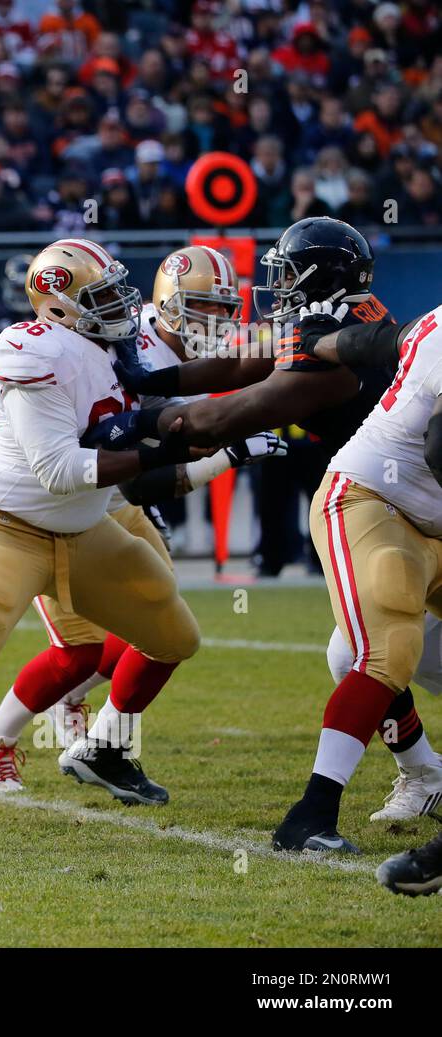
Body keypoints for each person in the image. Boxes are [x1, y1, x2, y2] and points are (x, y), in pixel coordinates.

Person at [0, 239, 205, 831]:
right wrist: (167, 455)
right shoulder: (31, 349)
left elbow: (197, 391)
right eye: (100, 294)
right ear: (60, 305)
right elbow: (61, 470)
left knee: (173, 634)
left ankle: (106, 747)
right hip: (8, 518)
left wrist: (281, 374)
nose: (121, 303)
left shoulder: (125, 345)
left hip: (83, 525)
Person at [125, 217, 442, 828]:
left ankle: (408, 779)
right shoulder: (337, 319)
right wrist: (143, 381)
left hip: (393, 500)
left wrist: (133, 424)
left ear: (322, 275)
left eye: (289, 272)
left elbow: (229, 415)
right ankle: (423, 773)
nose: (279, 284)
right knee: (356, 656)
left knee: (370, 656)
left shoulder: (341, 345)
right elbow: (240, 361)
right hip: (399, 505)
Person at [0, 246, 283, 802]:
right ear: (167, 305)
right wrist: (225, 458)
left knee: (158, 627)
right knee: (80, 651)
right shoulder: (122, 346)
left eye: (222, 311)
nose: (216, 324)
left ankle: (103, 742)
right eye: (203, 309)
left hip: (109, 500)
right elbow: (141, 476)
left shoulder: (163, 349)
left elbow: (152, 464)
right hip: (62, 503)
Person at [267, 299, 442, 852]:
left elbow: (379, 341)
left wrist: (320, 340)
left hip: (432, 517)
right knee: (382, 652)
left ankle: (427, 777)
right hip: (375, 499)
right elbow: (441, 450)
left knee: (351, 656)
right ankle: (310, 817)